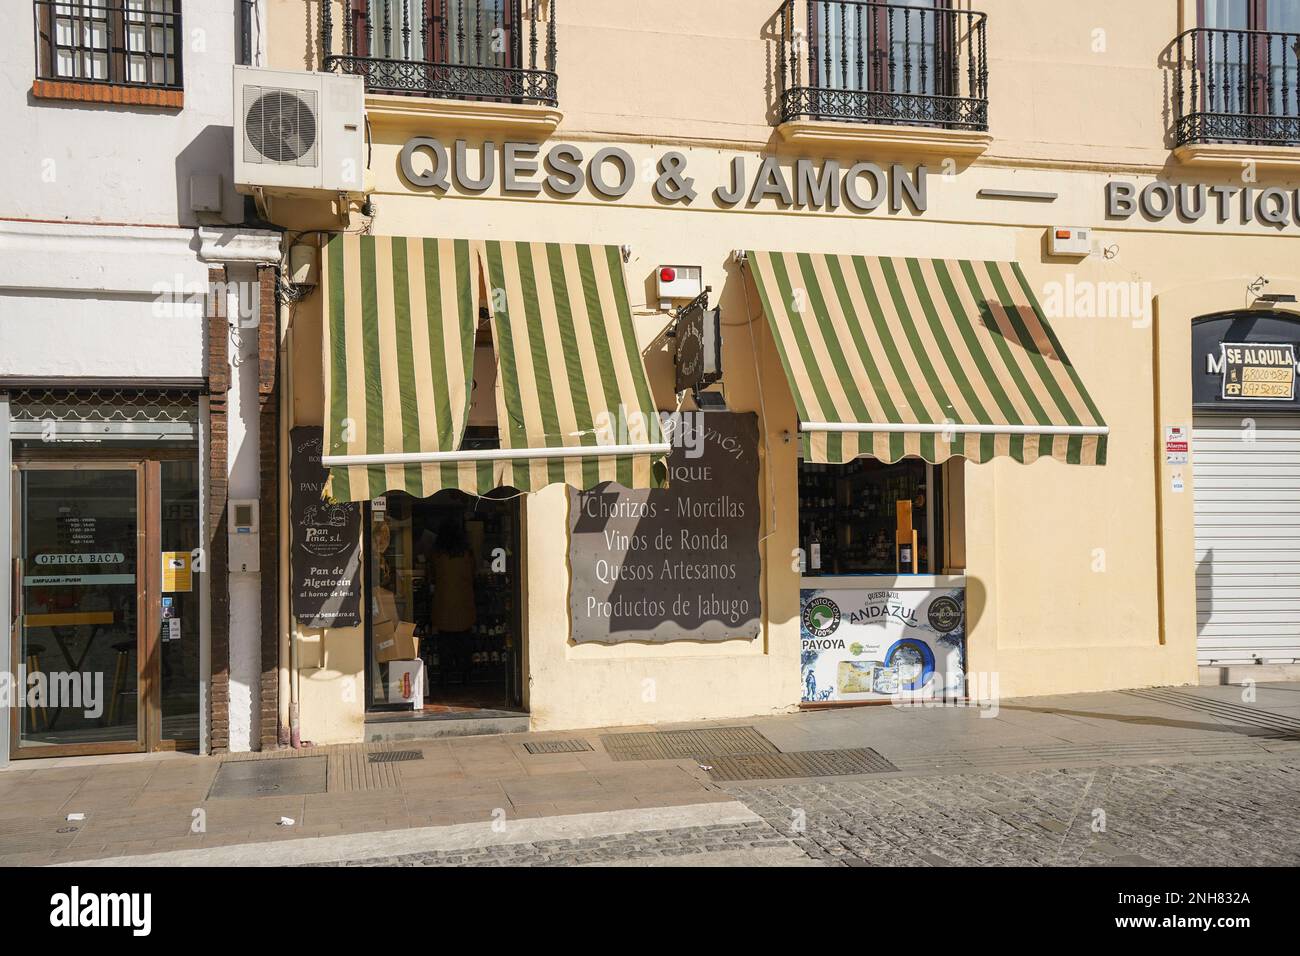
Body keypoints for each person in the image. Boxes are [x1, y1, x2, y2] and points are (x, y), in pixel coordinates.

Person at [431, 518, 476, 682]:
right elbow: (473, 573)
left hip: (443, 603)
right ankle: (466, 676)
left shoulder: (438, 555)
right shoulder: (467, 554)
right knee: (464, 641)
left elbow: (432, 576)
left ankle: (445, 676)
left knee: (445, 643)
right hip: (464, 602)